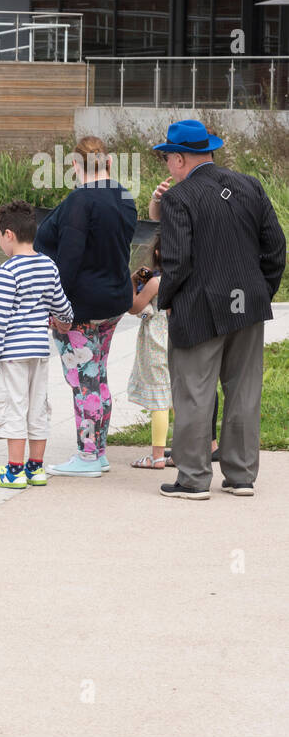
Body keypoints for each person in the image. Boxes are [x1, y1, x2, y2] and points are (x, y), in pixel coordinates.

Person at [151, 119, 286, 499]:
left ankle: (193, 479)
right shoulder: (250, 185)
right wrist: (262, 290)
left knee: (195, 391)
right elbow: (276, 248)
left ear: (179, 159)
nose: (167, 166)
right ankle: (241, 475)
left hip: (199, 307)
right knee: (244, 390)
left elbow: (177, 262)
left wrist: (169, 304)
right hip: (248, 303)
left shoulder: (178, 198)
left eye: (167, 158)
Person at [33, 135, 136, 477]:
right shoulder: (123, 195)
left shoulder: (80, 201)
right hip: (114, 300)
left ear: (75, 166)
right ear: (107, 163)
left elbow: (69, 260)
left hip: (80, 309)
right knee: (98, 376)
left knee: (83, 383)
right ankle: (99, 451)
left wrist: (57, 310)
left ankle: (88, 456)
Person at [0, 201, 74, 489]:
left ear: (9, 234)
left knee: (14, 408)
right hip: (39, 351)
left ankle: (14, 471)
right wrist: (65, 321)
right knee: (38, 408)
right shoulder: (48, 265)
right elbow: (61, 305)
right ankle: (36, 468)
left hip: (13, 354)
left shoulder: (7, 272)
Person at [150, 177, 220, 466]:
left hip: (195, 298)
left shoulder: (210, 192)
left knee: (194, 381)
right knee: (198, 380)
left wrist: (162, 297)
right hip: (191, 297)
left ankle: (196, 447)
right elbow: (157, 218)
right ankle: (204, 444)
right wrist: (157, 200)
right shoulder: (178, 195)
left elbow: (135, 302)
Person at [126, 233, 170, 469]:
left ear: (157, 254)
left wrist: (134, 281)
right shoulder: (186, 277)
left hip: (155, 345)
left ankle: (158, 455)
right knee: (177, 398)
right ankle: (183, 451)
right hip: (177, 342)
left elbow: (134, 308)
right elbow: (147, 312)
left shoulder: (154, 282)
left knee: (159, 402)